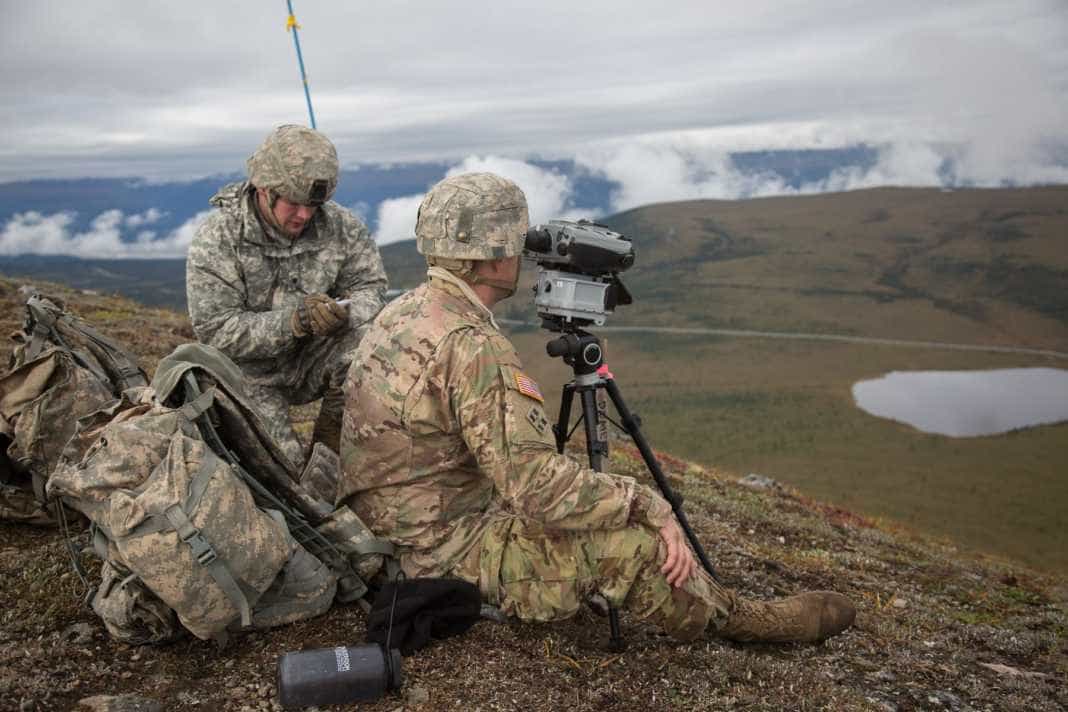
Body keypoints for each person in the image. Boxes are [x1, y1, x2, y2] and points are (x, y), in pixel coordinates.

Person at [338, 172, 855, 643]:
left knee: (578, 508)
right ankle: (749, 623)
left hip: (388, 529)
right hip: (438, 552)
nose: (524, 253)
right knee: (633, 547)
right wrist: (645, 503)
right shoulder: (472, 345)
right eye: (517, 243)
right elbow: (535, 485)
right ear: (493, 257)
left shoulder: (401, 309)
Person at [186, 124, 387, 467]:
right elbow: (217, 330)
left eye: (314, 204)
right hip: (247, 374)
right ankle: (299, 473)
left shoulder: (341, 226)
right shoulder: (218, 238)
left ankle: (334, 457)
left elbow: (371, 288)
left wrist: (343, 315)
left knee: (373, 347)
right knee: (284, 473)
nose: (305, 215)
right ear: (264, 190)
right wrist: (294, 322)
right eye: (294, 203)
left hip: (313, 358)